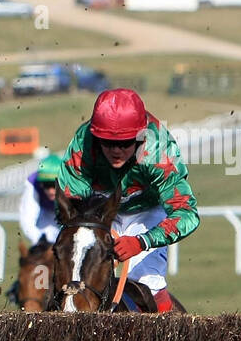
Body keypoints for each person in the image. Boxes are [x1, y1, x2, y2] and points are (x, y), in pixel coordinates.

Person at [53, 88, 200, 313]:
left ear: (140, 136)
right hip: (98, 210)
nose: (115, 150)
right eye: (107, 142)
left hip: (146, 210)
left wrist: (141, 241)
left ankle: (170, 340)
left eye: (124, 143)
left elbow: (187, 214)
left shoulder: (157, 151)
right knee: (67, 282)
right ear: (96, 135)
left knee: (148, 282)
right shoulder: (83, 145)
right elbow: (70, 207)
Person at [19, 153, 62, 247]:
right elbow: (27, 220)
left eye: (54, 184)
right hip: (47, 215)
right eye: (46, 185)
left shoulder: (74, 183)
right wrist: (41, 242)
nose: (51, 191)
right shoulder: (33, 183)